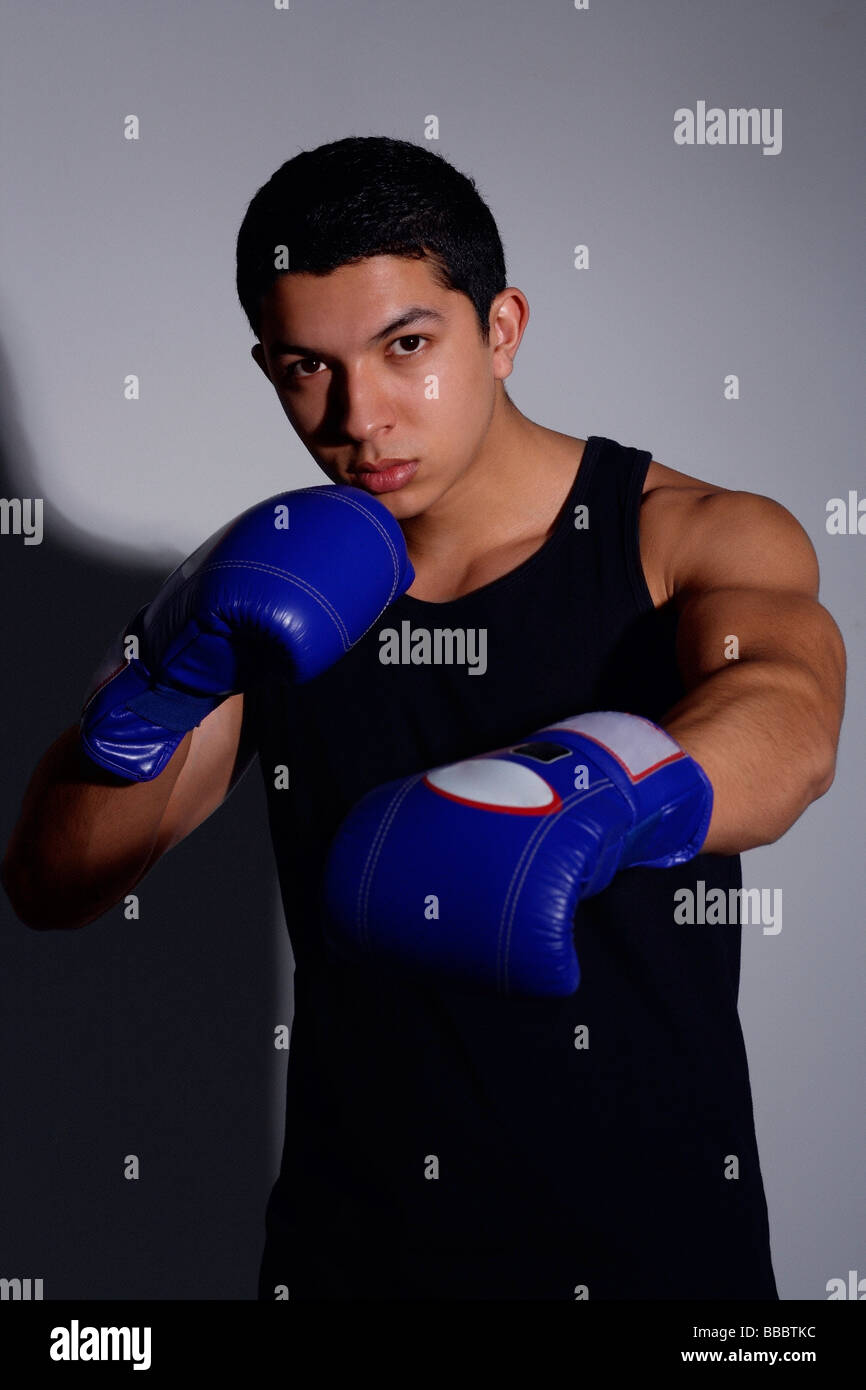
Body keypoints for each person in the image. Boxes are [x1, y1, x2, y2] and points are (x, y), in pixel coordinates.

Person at [2, 135, 845, 1300]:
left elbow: (791, 721)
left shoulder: (681, 536)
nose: (359, 414)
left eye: (407, 347)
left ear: (500, 329)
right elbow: (53, 883)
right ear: (267, 365)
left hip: (656, 1255)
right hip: (355, 1259)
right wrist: (154, 690)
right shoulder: (271, 595)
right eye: (307, 366)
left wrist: (602, 792)